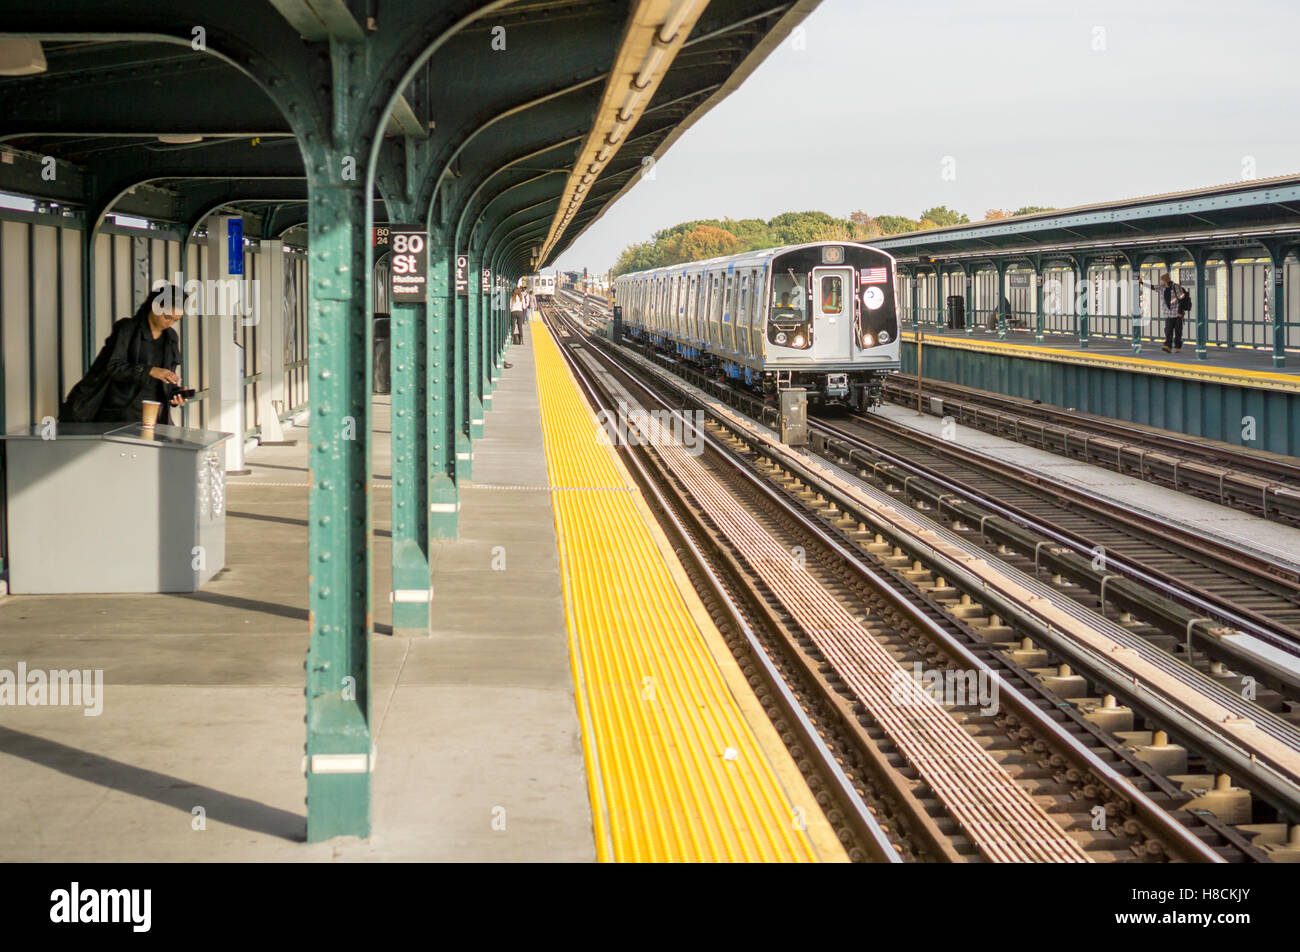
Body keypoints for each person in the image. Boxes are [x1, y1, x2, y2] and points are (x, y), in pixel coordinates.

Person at [59, 284, 190, 424]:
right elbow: (113, 366)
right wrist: (150, 370)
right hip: (119, 413)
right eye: (167, 317)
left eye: (176, 320)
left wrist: (175, 394)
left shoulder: (171, 337)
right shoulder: (127, 328)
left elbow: (165, 378)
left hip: (154, 415)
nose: (170, 323)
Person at [1137, 273, 1191, 353]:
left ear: (1165, 280)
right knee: (1168, 331)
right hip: (1168, 314)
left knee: (1178, 332)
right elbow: (1152, 287)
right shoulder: (1161, 288)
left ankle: (1177, 347)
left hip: (1177, 313)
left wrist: (1180, 311)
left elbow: (1182, 299)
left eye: (1161, 280)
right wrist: (1142, 283)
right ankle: (1167, 346)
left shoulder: (1176, 287)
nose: (1160, 282)